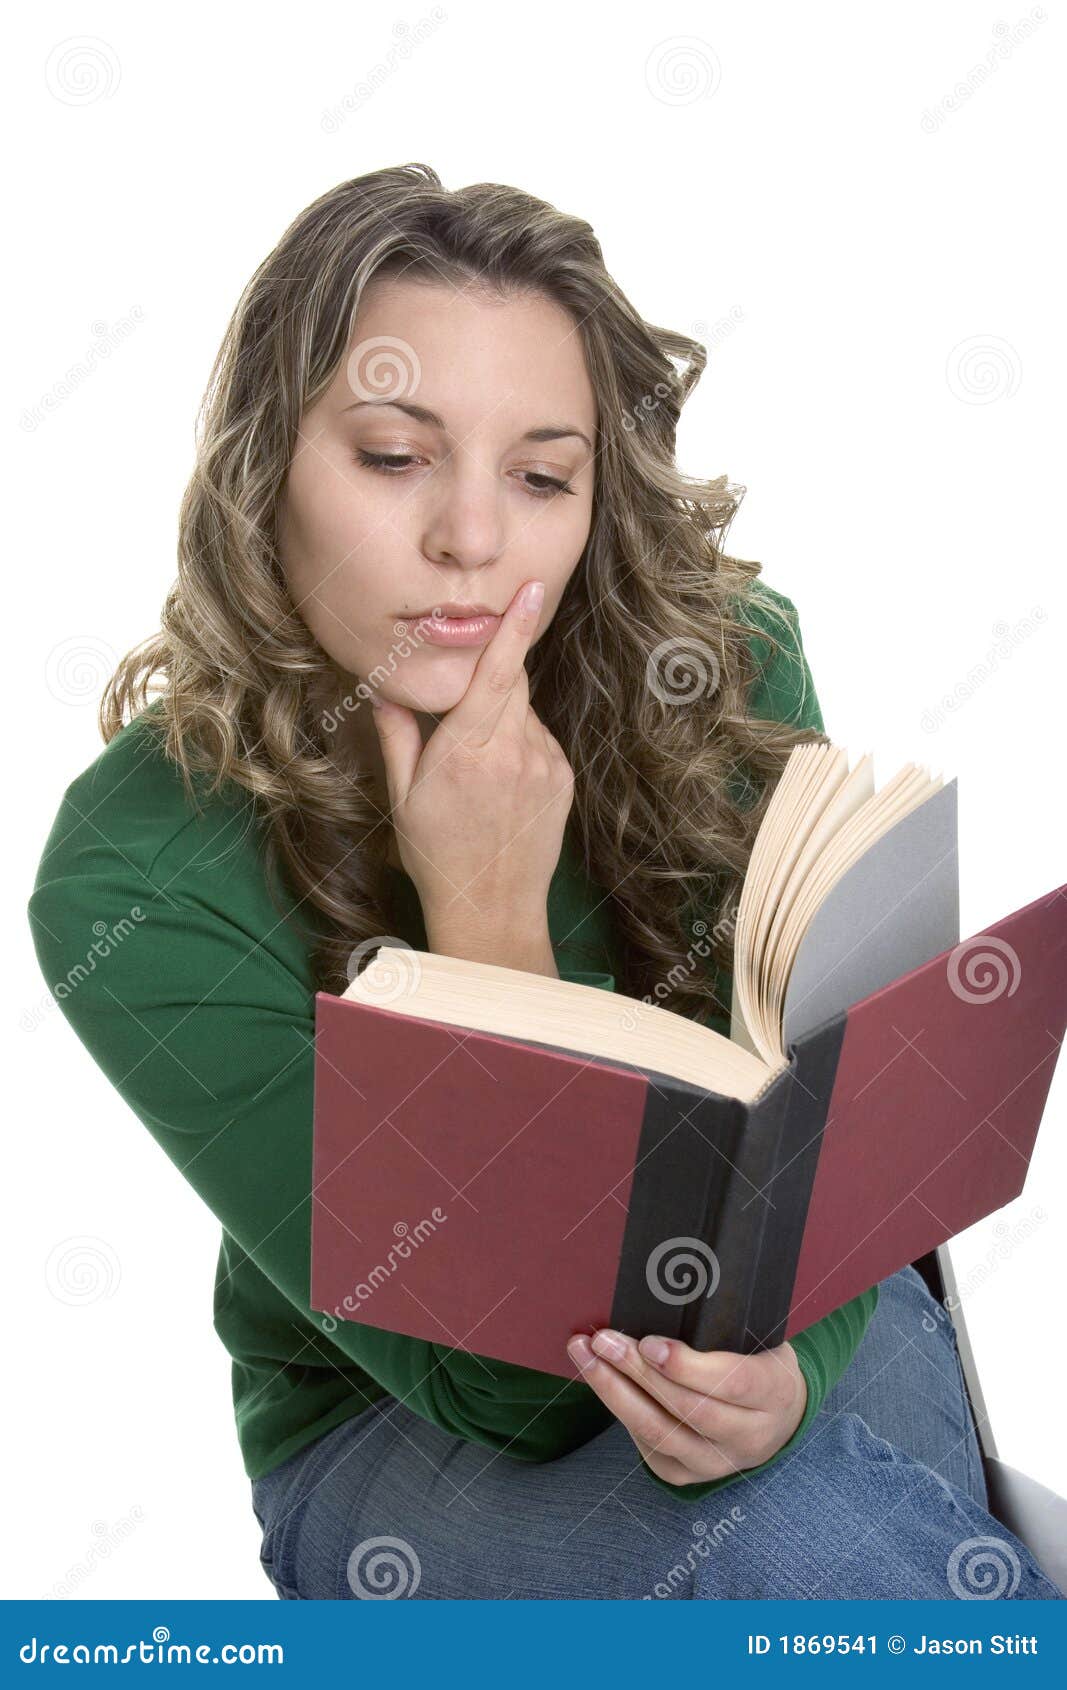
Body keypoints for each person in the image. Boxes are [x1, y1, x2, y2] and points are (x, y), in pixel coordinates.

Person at [27, 163, 1061, 1600]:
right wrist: (487, 921)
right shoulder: (133, 872)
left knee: (816, 1498)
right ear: (268, 470)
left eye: (540, 474)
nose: (473, 537)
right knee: (800, 1536)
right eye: (393, 458)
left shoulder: (725, 664)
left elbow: (847, 1157)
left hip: (795, 1301)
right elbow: (522, 1391)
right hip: (394, 1428)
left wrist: (795, 1369)